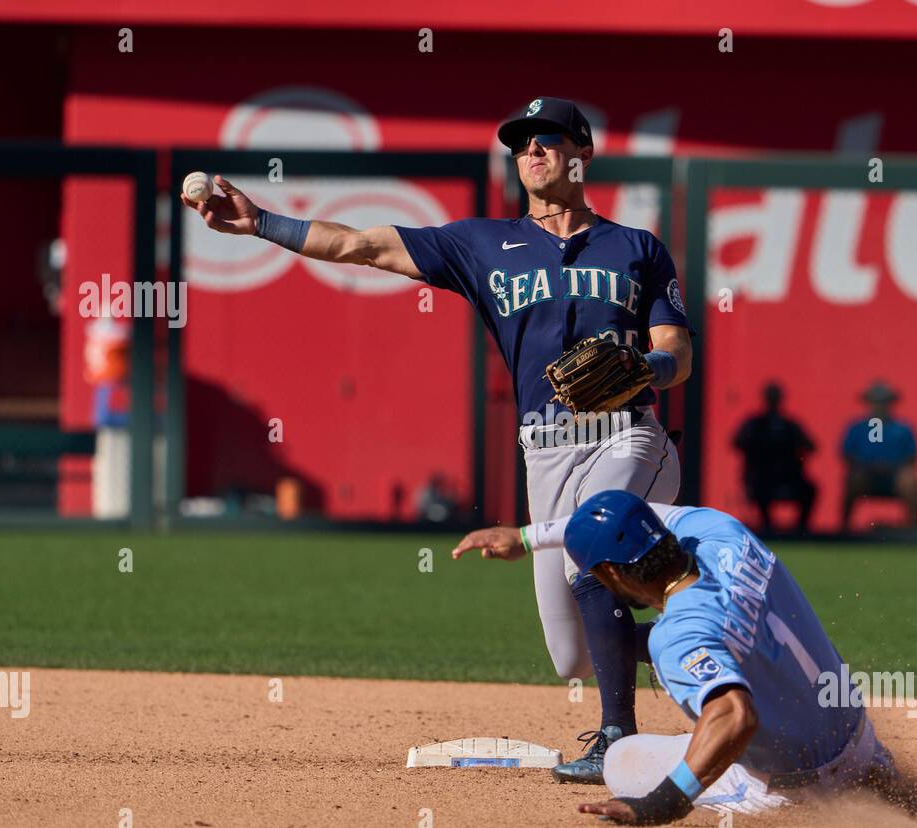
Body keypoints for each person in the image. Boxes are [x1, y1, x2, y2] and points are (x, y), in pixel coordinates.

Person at [183, 97, 693, 784]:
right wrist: (261, 223)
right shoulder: (482, 244)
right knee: (573, 656)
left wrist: (646, 368)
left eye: (547, 140)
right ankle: (712, 644)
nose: (532, 153)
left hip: (628, 436)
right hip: (545, 448)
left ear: (582, 153)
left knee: (586, 557)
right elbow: (359, 245)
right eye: (521, 145)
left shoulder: (636, 247)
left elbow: (678, 353)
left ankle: (616, 740)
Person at [452, 490, 899, 825]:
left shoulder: (677, 639)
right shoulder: (723, 531)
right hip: (860, 741)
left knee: (621, 759)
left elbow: (734, 715)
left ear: (610, 573)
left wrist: (667, 800)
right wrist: (528, 537)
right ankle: (875, 776)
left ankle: (776, 799)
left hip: (793, 790)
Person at [732, 382, 817, 534]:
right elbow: (737, 443)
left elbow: (811, 446)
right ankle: (767, 527)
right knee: (760, 488)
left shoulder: (789, 425)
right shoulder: (754, 424)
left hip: (789, 476)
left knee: (809, 490)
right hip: (761, 475)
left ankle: (801, 530)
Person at [840, 380, 917, 531]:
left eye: (884, 401)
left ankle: (914, 527)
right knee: (854, 477)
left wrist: (893, 467)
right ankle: (844, 528)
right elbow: (846, 454)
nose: (879, 406)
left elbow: (913, 456)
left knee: (910, 479)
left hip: (895, 476)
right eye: (875, 401)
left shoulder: (903, 428)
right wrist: (867, 466)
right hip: (866, 474)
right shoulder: (857, 427)